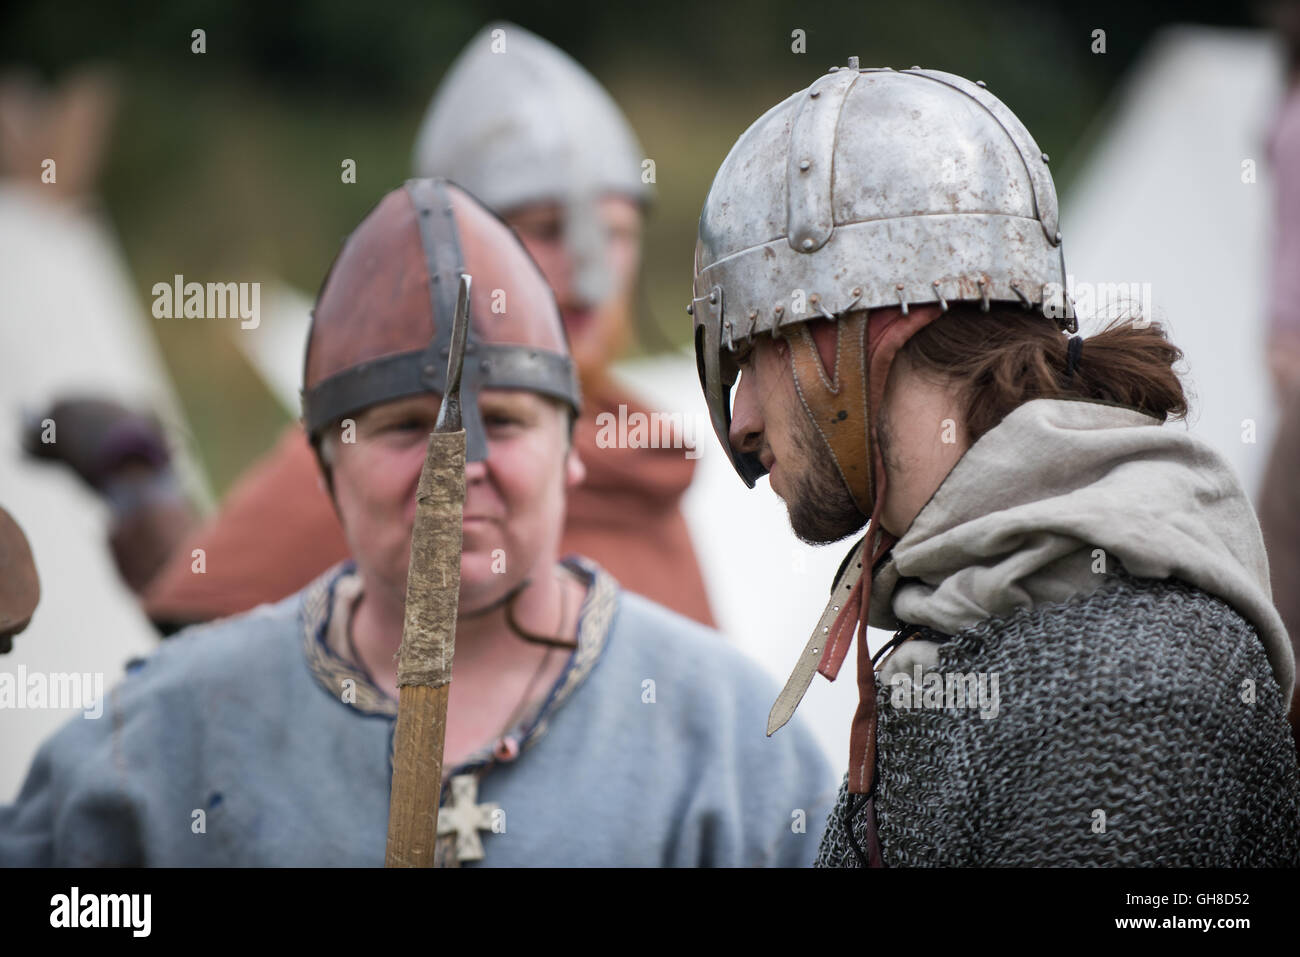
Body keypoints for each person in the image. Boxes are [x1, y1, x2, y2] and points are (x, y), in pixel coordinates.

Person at [0, 179, 835, 866]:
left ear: (573, 451)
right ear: (325, 466)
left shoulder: (731, 743)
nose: (458, 463)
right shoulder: (161, 735)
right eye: (405, 427)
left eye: (504, 421)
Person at [689, 61, 1300, 866]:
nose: (740, 424)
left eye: (757, 351)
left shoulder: (1124, 691)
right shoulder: (972, 619)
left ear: (878, 331)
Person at [139, 23, 714, 631]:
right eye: (547, 229)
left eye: (617, 234)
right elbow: (201, 639)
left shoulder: (640, 457)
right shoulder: (384, 445)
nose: (591, 275)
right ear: (453, 247)